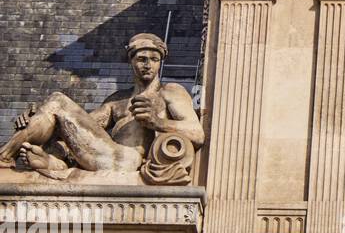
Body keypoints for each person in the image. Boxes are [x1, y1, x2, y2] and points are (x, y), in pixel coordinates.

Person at [0, 33, 204, 176]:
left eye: (154, 59)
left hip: (127, 160)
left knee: (57, 101)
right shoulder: (116, 101)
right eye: (141, 59)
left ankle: (5, 157)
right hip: (105, 155)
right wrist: (35, 117)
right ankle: (54, 162)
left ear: (160, 62)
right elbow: (78, 128)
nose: (148, 64)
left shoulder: (170, 92)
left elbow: (197, 133)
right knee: (54, 110)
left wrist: (157, 122)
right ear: (131, 62)